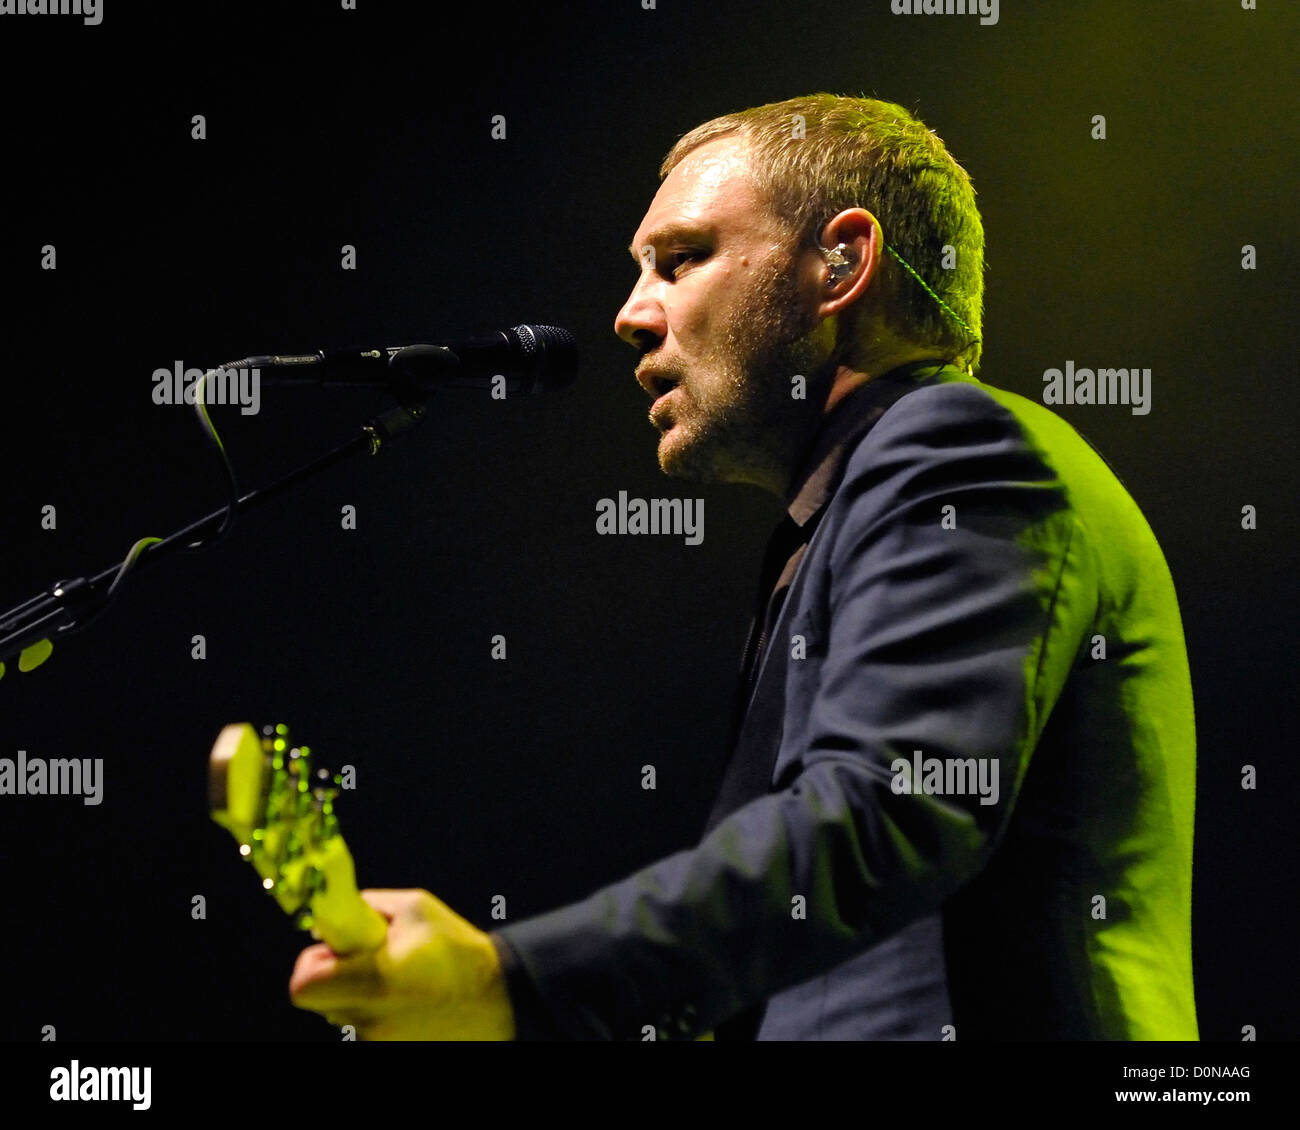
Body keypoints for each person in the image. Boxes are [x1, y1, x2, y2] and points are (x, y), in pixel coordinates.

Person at [288, 94, 1198, 1040]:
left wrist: (511, 977)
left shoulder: (953, 446)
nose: (630, 315)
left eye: (680, 260)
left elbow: (889, 812)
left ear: (842, 262)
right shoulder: (839, 516)